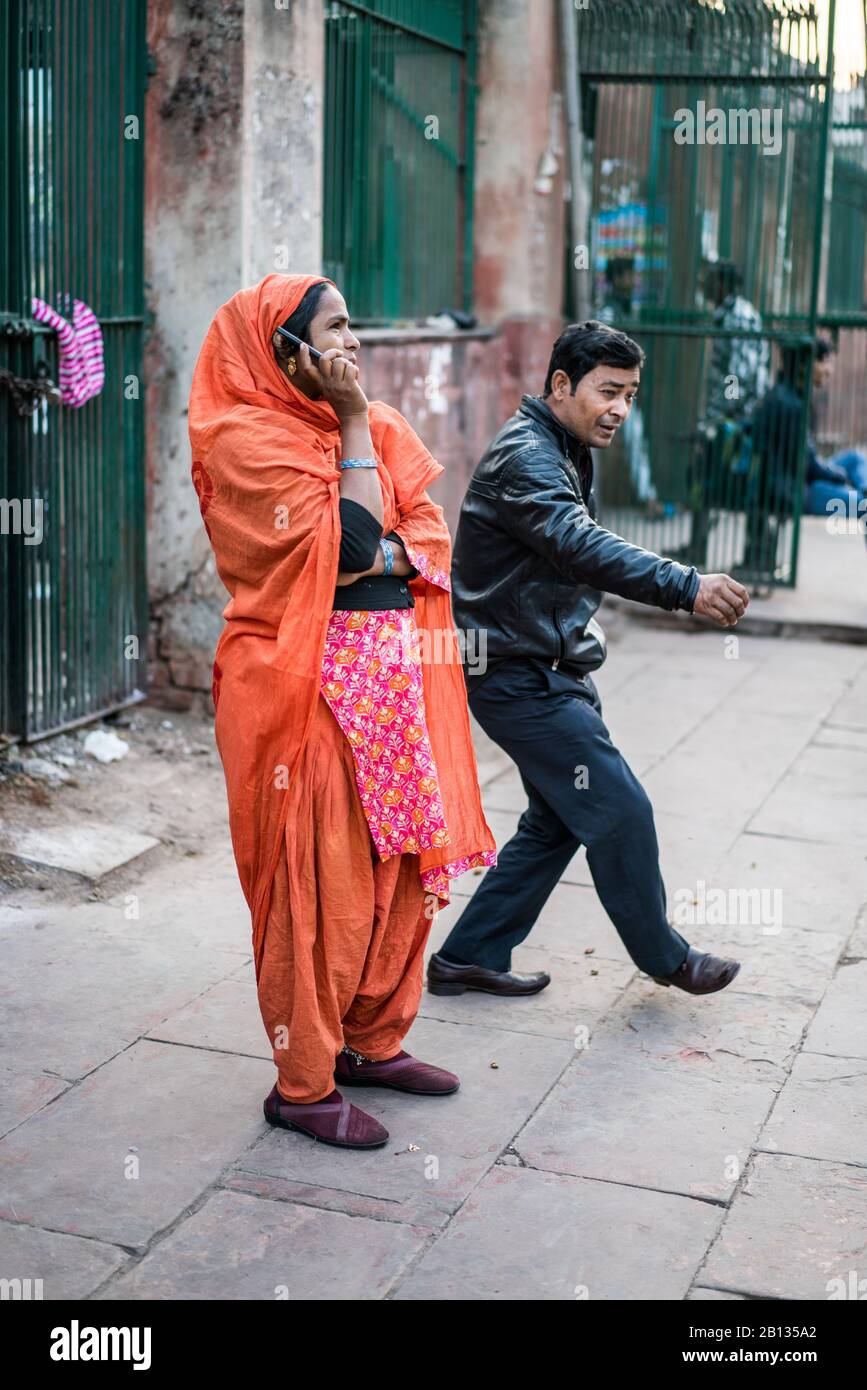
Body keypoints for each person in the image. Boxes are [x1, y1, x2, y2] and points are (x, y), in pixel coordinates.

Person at [189, 274, 495, 1151]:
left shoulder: (386, 427)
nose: (353, 343)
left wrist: (375, 547)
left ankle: (370, 1043)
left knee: (395, 871)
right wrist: (356, 436)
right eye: (334, 330)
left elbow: (431, 536)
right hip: (299, 690)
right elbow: (359, 546)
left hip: (393, 681)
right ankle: (303, 1083)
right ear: (282, 350)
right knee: (318, 882)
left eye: (356, 324)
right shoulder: (246, 438)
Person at [427, 320, 749, 1000]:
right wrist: (686, 585)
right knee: (617, 810)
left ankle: (469, 955)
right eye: (608, 392)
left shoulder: (563, 444)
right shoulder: (527, 456)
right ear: (560, 385)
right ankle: (665, 957)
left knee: (555, 821)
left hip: (549, 665)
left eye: (630, 395)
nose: (619, 410)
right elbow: (577, 543)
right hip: (518, 675)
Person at [682, 260, 771, 567]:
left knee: (734, 482)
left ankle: (756, 553)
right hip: (731, 414)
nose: (703, 285)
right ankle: (697, 547)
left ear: (721, 285)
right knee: (703, 478)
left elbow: (738, 376)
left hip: (742, 418)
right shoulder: (727, 316)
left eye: (708, 280)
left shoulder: (740, 317)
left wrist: (719, 417)